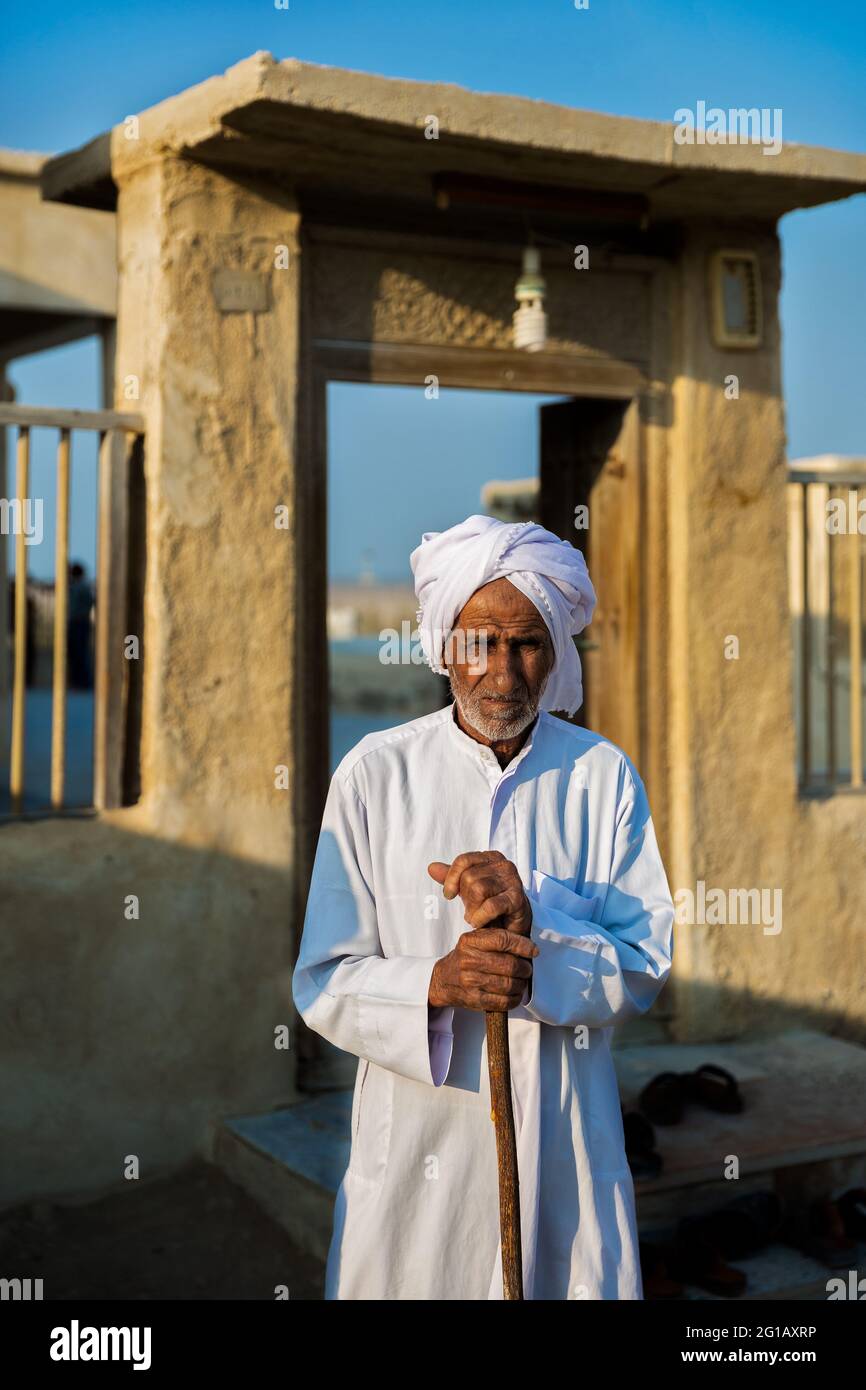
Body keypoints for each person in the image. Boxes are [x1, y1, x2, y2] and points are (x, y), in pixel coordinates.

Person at [292, 514, 674, 1300]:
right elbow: (324, 981)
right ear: (443, 647)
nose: (503, 674)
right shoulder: (374, 774)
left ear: (556, 652)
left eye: (528, 643)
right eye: (480, 642)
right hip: (417, 1151)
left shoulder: (603, 777)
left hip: (565, 1140)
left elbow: (643, 964)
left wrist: (541, 935)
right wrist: (436, 984)